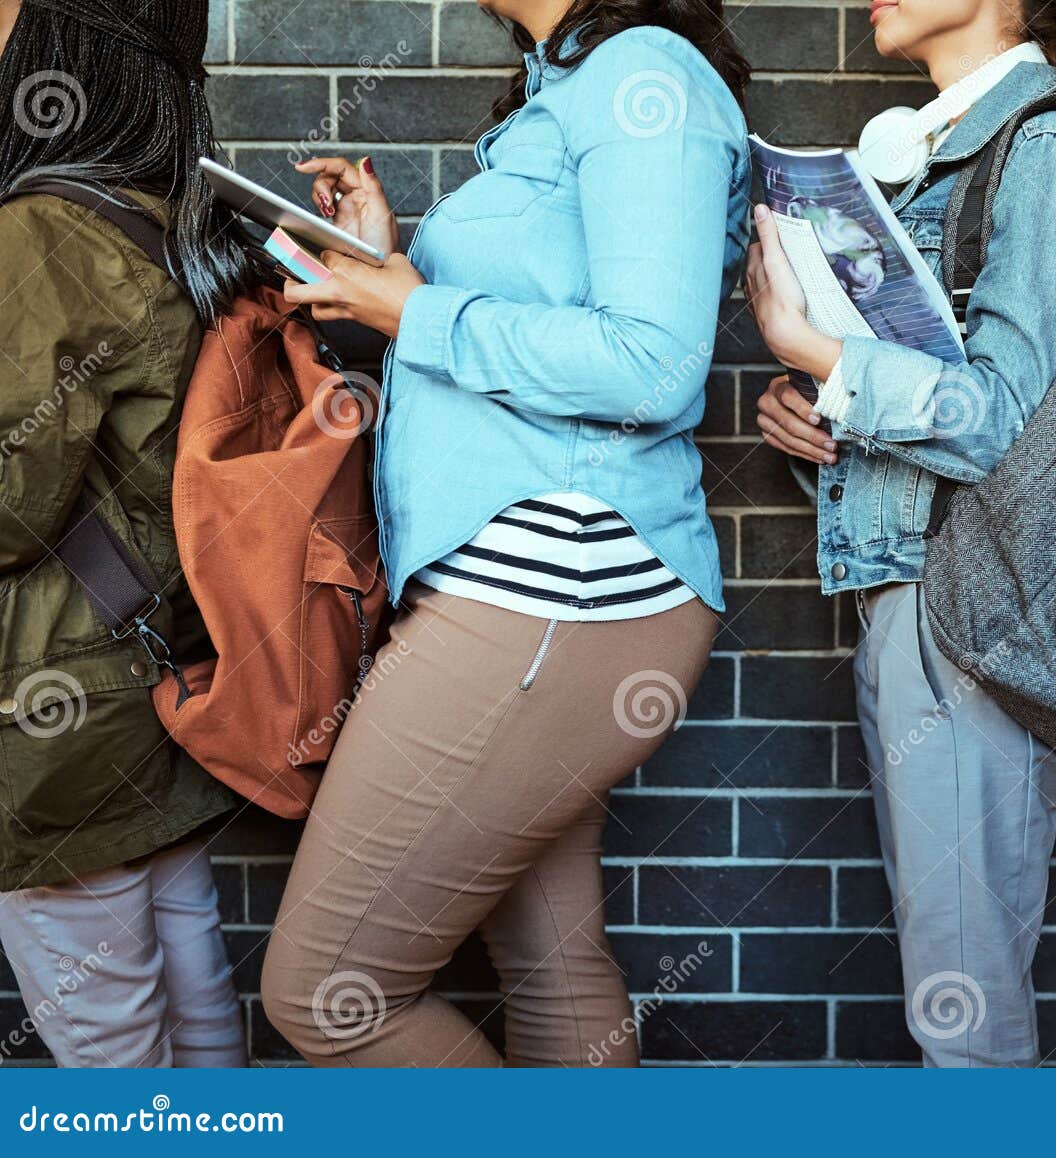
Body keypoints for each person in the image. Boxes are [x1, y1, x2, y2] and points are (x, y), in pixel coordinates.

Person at [259, 0, 750, 1067]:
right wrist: (389, 274)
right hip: (528, 593)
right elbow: (547, 326)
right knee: (553, 968)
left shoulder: (641, 76)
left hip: (552, 593)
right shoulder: (575, 87)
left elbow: (653, 368)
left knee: (327, 997)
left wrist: (412, 312)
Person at [746, 0, 1056, 1066]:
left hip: (975, 617)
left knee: (961, 1010)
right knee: (957, 988)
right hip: (925, 600)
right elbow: (946, 415)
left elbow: (1009, 424)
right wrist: (819, 420)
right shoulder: (946, 150)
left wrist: (828, 362)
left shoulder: (1048, 143)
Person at [0, 0, 257, 1067]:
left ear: (59, 55)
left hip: (55, 702)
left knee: (106, 1041)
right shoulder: (179, 218)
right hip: (154, 677)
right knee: (190, 984)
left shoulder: (44, 233)